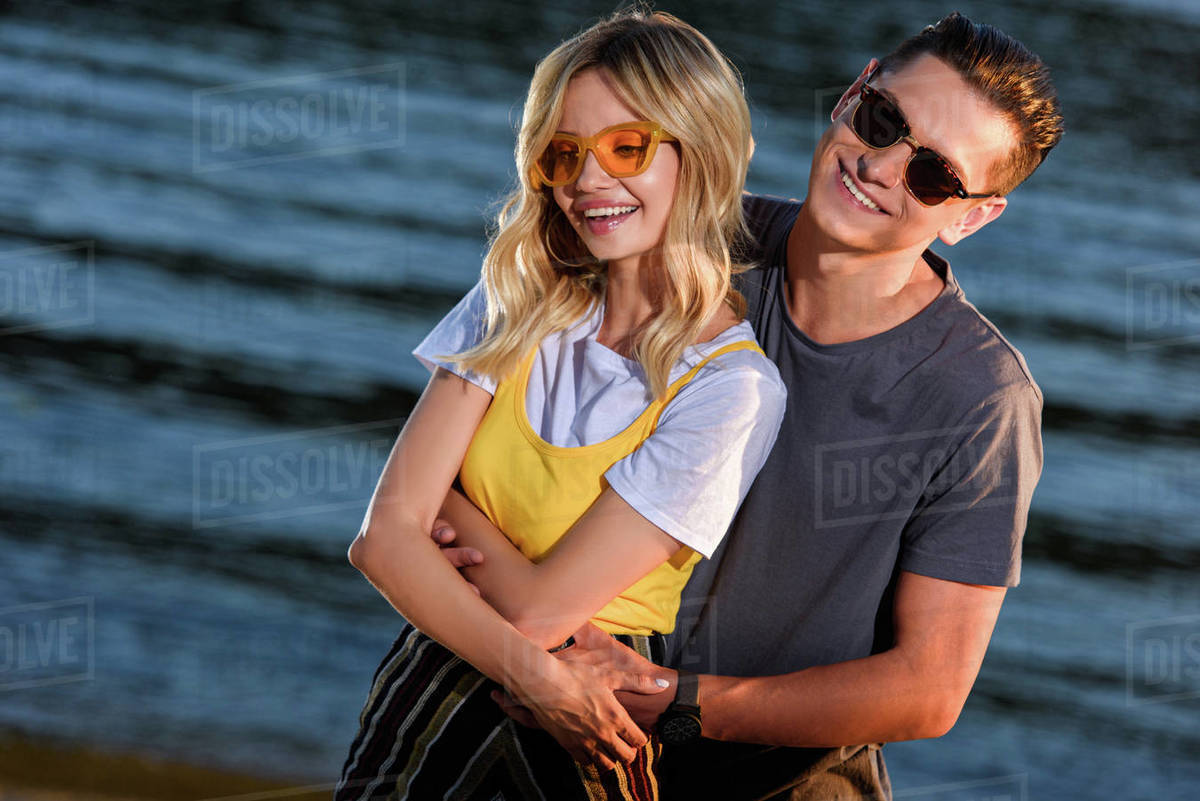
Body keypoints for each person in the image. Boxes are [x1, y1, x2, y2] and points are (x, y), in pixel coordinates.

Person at [435, 11, 1064, 801]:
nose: (879, 167)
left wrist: (673, 702)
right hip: (559, 727)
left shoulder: (981, 397)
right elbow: (460, 454)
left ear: (971, 215)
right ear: (854, 93)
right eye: (882, 121)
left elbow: (929, 686)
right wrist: (540, 634)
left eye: (933, 175)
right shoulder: (683, 235)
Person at [335, 10, 786, 801]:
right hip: (432, 700)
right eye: (564, 152)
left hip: (578, 737)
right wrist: (540, 678)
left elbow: (541, 612)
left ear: (701, 150)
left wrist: (439, 507)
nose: (587, 180)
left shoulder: (731, 388)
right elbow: (378, 544)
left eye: (626, 147)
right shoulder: (516, 298)